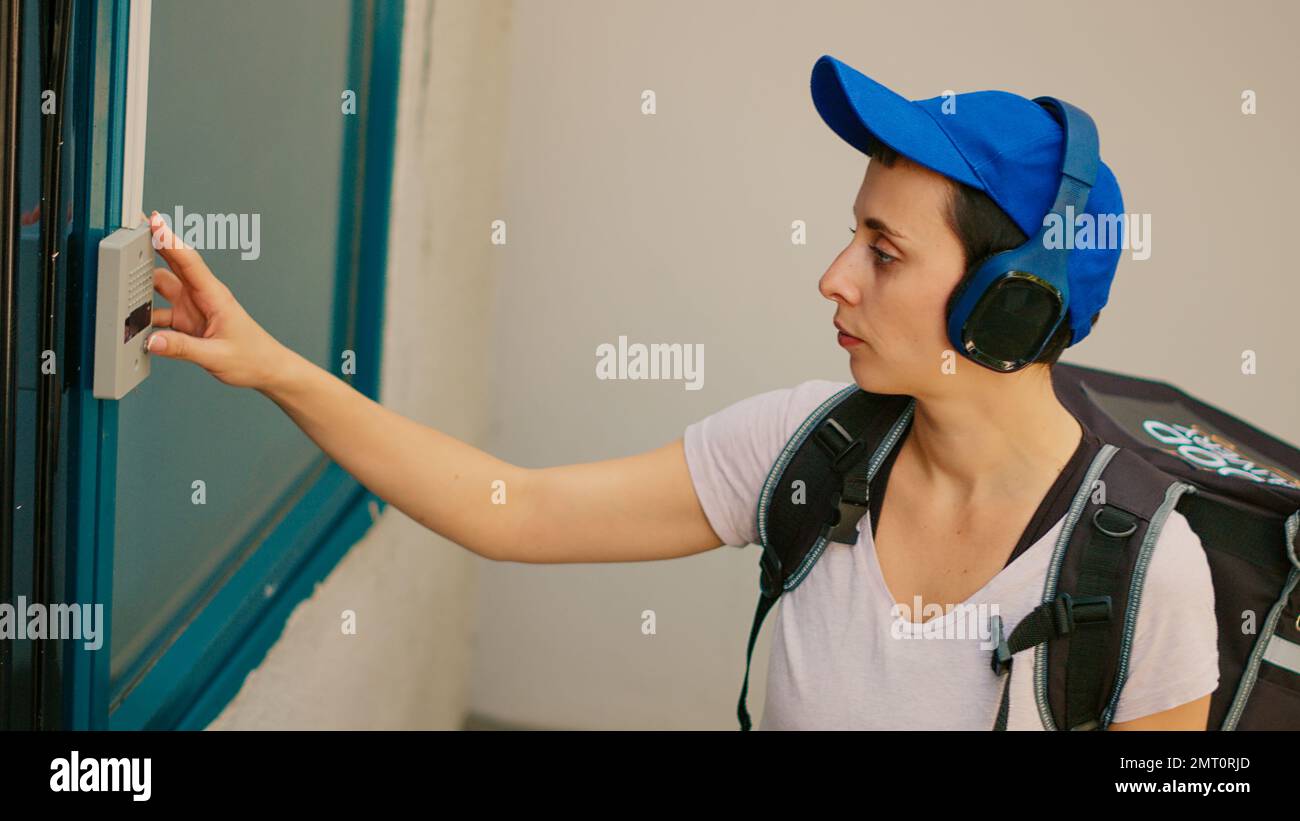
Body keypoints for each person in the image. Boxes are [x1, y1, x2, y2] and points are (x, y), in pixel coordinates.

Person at [139, 55, 1218, 731]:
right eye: (852, 234)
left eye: (882, 251)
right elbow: (514, 509)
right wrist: (273, 363)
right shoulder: (814, 446)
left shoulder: (1138, 571)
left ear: (1008, 308)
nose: (834, 275)